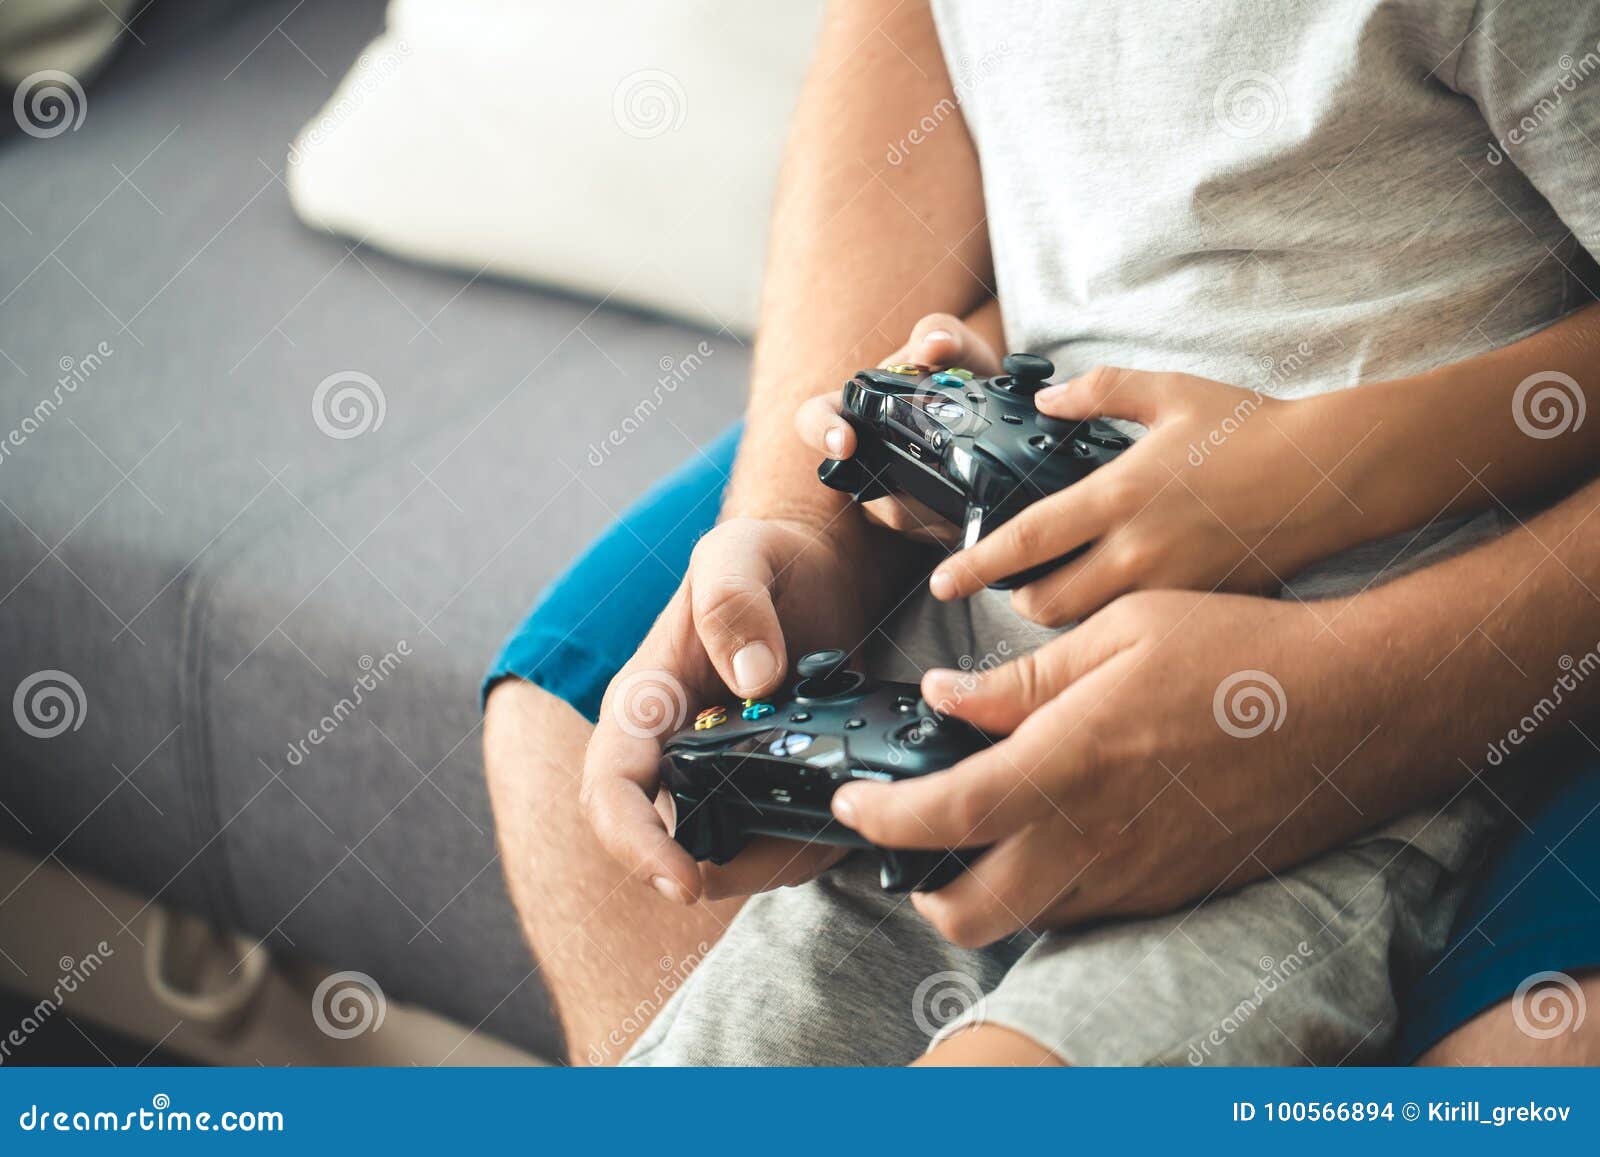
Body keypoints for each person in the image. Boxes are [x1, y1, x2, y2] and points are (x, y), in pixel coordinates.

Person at [485, 0, 1600, 1064]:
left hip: (1308, 794)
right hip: (950, 692)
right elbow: (1111, 243)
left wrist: (1326, 472)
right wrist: (871, 470)